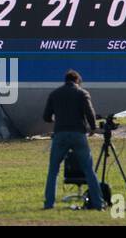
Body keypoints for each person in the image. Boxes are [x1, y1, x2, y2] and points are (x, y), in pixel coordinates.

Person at [42, 69, 105, 210]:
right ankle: (98, 203)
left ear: (65, 80)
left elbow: (46, 117)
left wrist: (57, 119)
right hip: (78, 134)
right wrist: (93, 128)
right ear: (78, 81)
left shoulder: (55, 94)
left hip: (60, 134)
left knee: (53, 170)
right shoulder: (82, 93)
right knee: (88, 170)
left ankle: (49, 204)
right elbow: (90, 113)